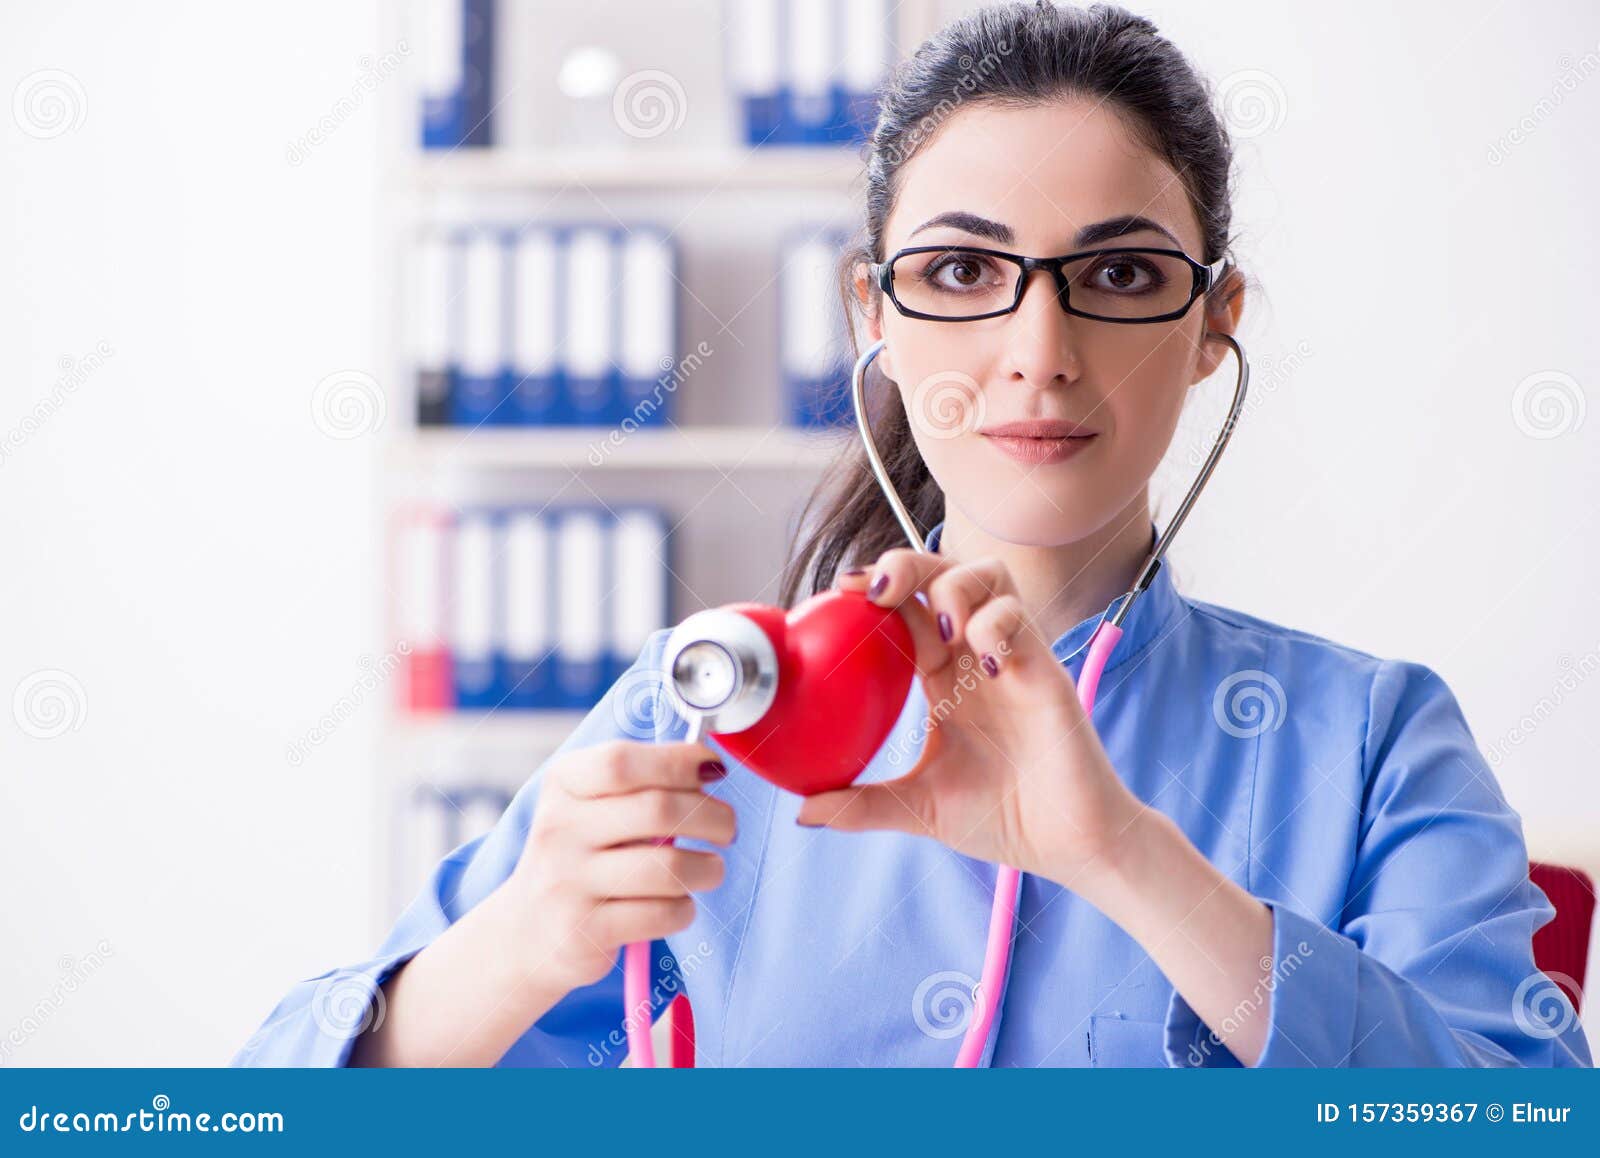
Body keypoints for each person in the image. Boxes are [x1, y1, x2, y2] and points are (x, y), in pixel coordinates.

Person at [235, 1, 1592, 1068]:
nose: (1038, 351)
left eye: (1121, 272)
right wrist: (523, 942)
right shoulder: (705, 713)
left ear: (1212, 323)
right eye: (960, 270)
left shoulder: (1370, 742)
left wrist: (1126, 859)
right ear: (870, 313)